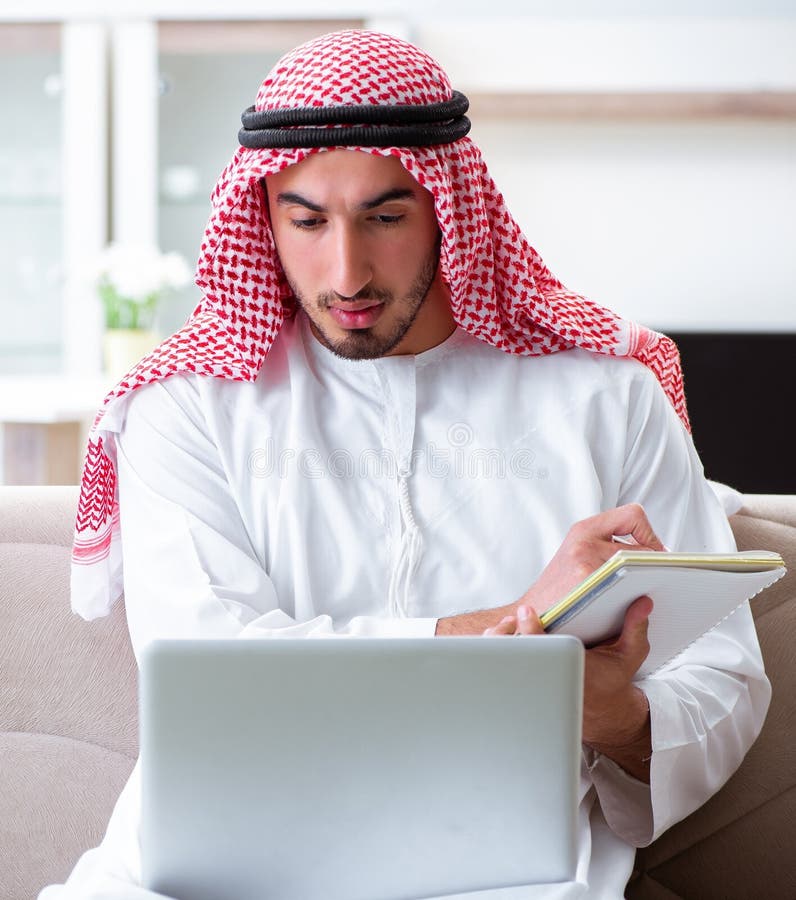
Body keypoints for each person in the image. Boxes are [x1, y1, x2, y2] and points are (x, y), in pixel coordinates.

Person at [44, 29, 770, 899]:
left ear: (447, 209)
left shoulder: (606, 399)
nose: (346, 271)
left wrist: (614, 714)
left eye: (385, 217)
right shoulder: (187, 407)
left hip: (503, 879)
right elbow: (214, 666)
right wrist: (525, 634)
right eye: (306, 220)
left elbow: (721, 675)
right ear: (261, 215)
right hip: (195, 876)